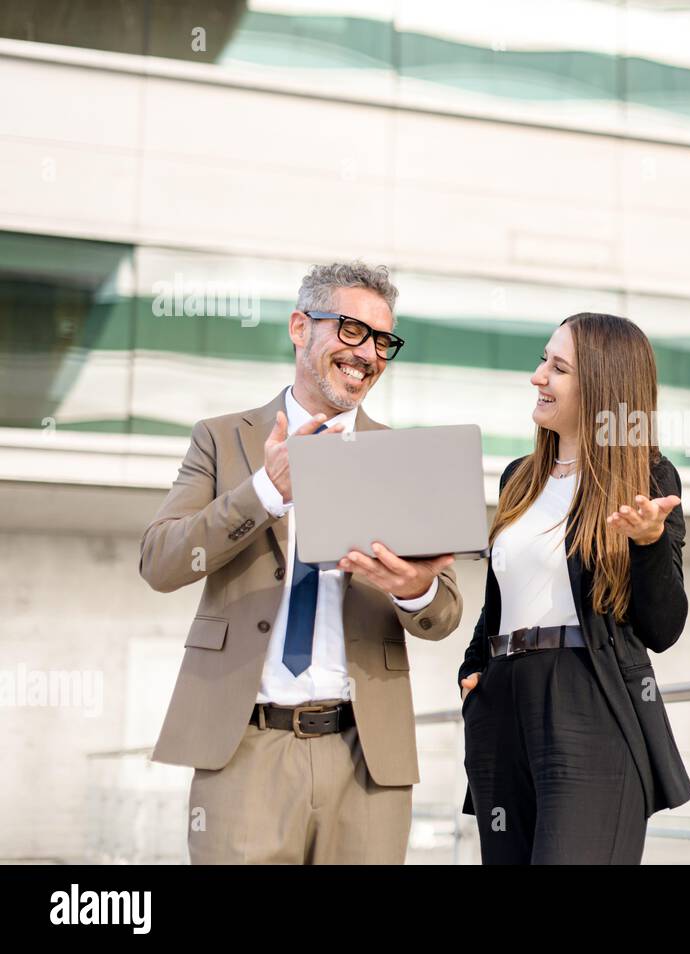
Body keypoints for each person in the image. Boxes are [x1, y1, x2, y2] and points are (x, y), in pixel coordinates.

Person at [140, 262, 463, 864]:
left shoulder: (402, 456)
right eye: (350, 330)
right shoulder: (221, 438)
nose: (367, 353)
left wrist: (415, 590)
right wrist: (265, 490)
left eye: (382, 341)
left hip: (367, 757)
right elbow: (161, 562)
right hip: (245, 750)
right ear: (298, 327)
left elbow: (444, 612)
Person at [458, 311, 690, 864]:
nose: (538, 376)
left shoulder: (649, 478)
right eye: (543, 360)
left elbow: (664, 628)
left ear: (603, 387)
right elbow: (502, 596)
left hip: (588, 701)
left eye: (557, 367)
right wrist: (473, 674)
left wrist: (649, 542)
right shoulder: (519, 477)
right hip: (501, 705)